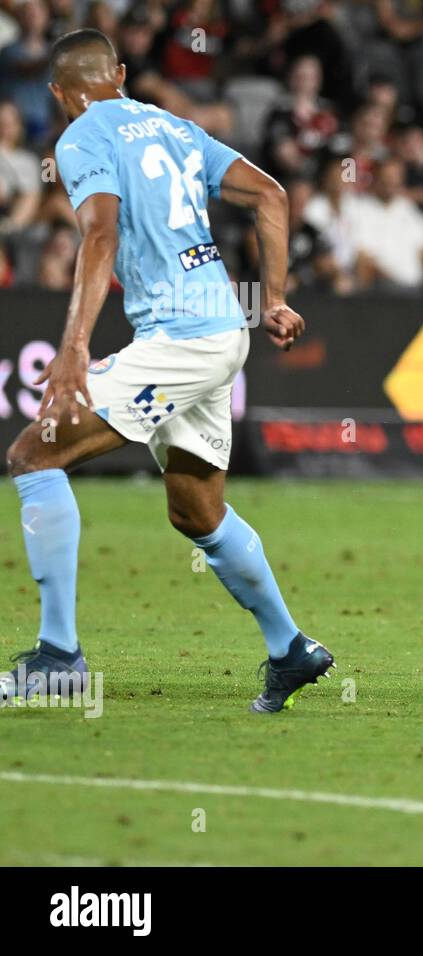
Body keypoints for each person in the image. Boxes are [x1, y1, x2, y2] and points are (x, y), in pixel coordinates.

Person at [1, 29, 333, 712]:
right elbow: (271, 195)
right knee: (197, 511)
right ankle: (290, 648)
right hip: (219, 332)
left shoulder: (82, 136)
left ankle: (59, 657)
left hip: (181, 340)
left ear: (60, 94)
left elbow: (100, 233)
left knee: (35, 456)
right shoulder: (177, 127)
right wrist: (273, 298)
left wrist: (72, 348)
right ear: (120, 74)